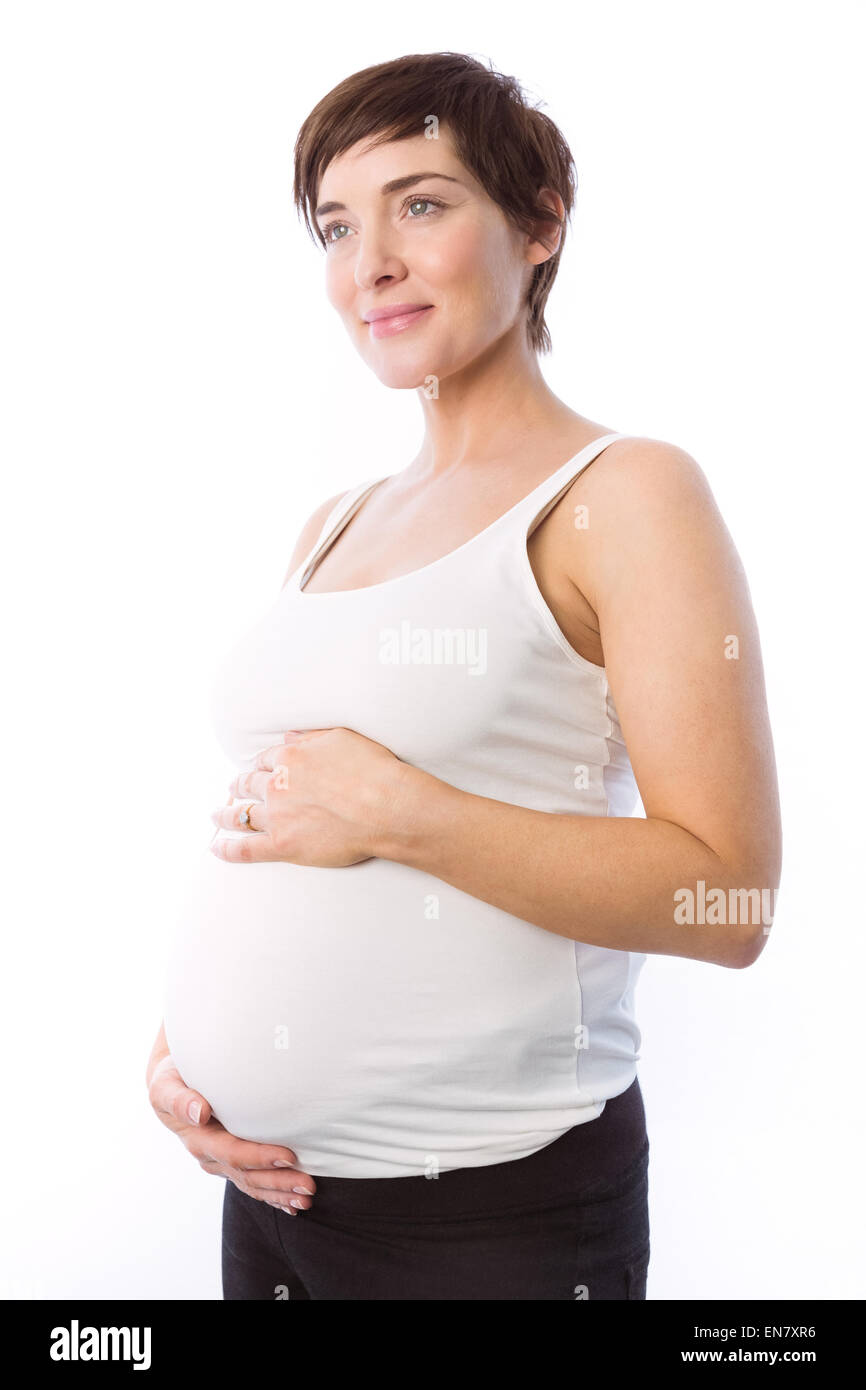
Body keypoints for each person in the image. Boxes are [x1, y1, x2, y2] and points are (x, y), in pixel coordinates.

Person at [147, 51, 782, 1301]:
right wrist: (190, 1050)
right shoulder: (337, 519)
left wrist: (400, 811)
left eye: (420, 204)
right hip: (270, 1194)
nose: (366, 262)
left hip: (485, 1221)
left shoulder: (622, 494)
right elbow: (283, 821)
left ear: (539, 222)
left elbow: (728, 896)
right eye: (337, 224)